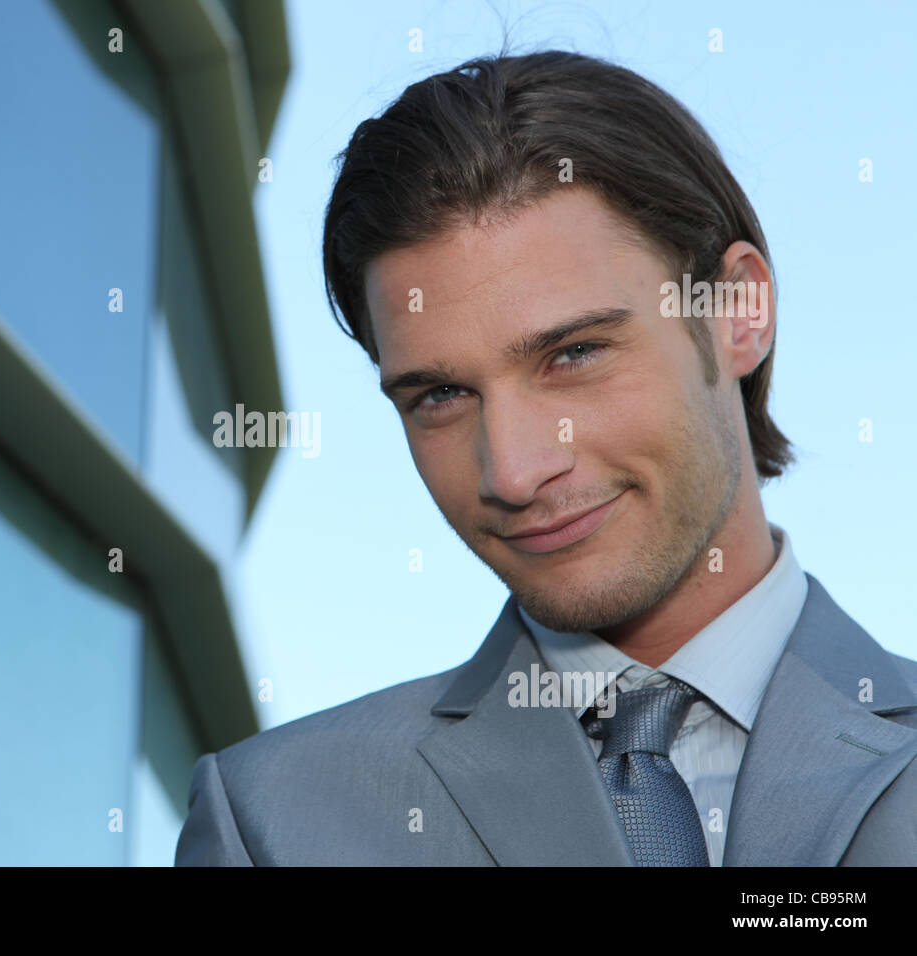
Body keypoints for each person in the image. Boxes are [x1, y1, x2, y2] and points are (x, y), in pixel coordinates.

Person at [175, 51, 917, 866]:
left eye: (573, 354)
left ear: (737, 311)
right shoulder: (277, 822)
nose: (515, 473)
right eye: (441, 397)